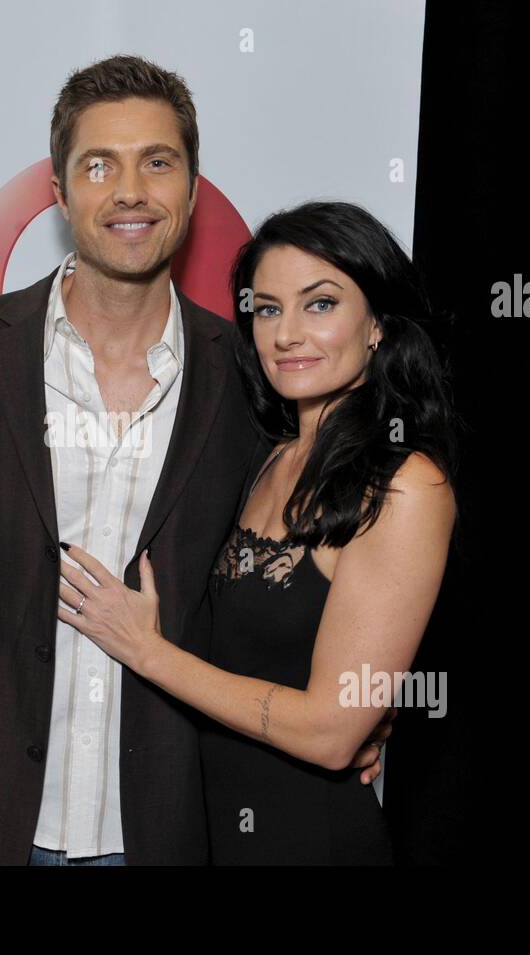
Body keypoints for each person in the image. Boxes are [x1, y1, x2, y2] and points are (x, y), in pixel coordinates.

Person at [0, 56, 390, 865]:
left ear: (193, 192)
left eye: (157, 162)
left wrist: (363, 697)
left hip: (172, 824)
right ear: (58, 192)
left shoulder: (254, 371)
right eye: (99, 165)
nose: (130, 190)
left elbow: (304, 567)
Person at [55, 200, 460, 863]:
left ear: (380, 325)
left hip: (308, 840)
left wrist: (147, 650)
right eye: (268, 308)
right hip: (209, 831)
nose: (287, 333)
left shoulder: (405, 484)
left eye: (320, 303)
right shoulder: (267, 454)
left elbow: (332, 731)